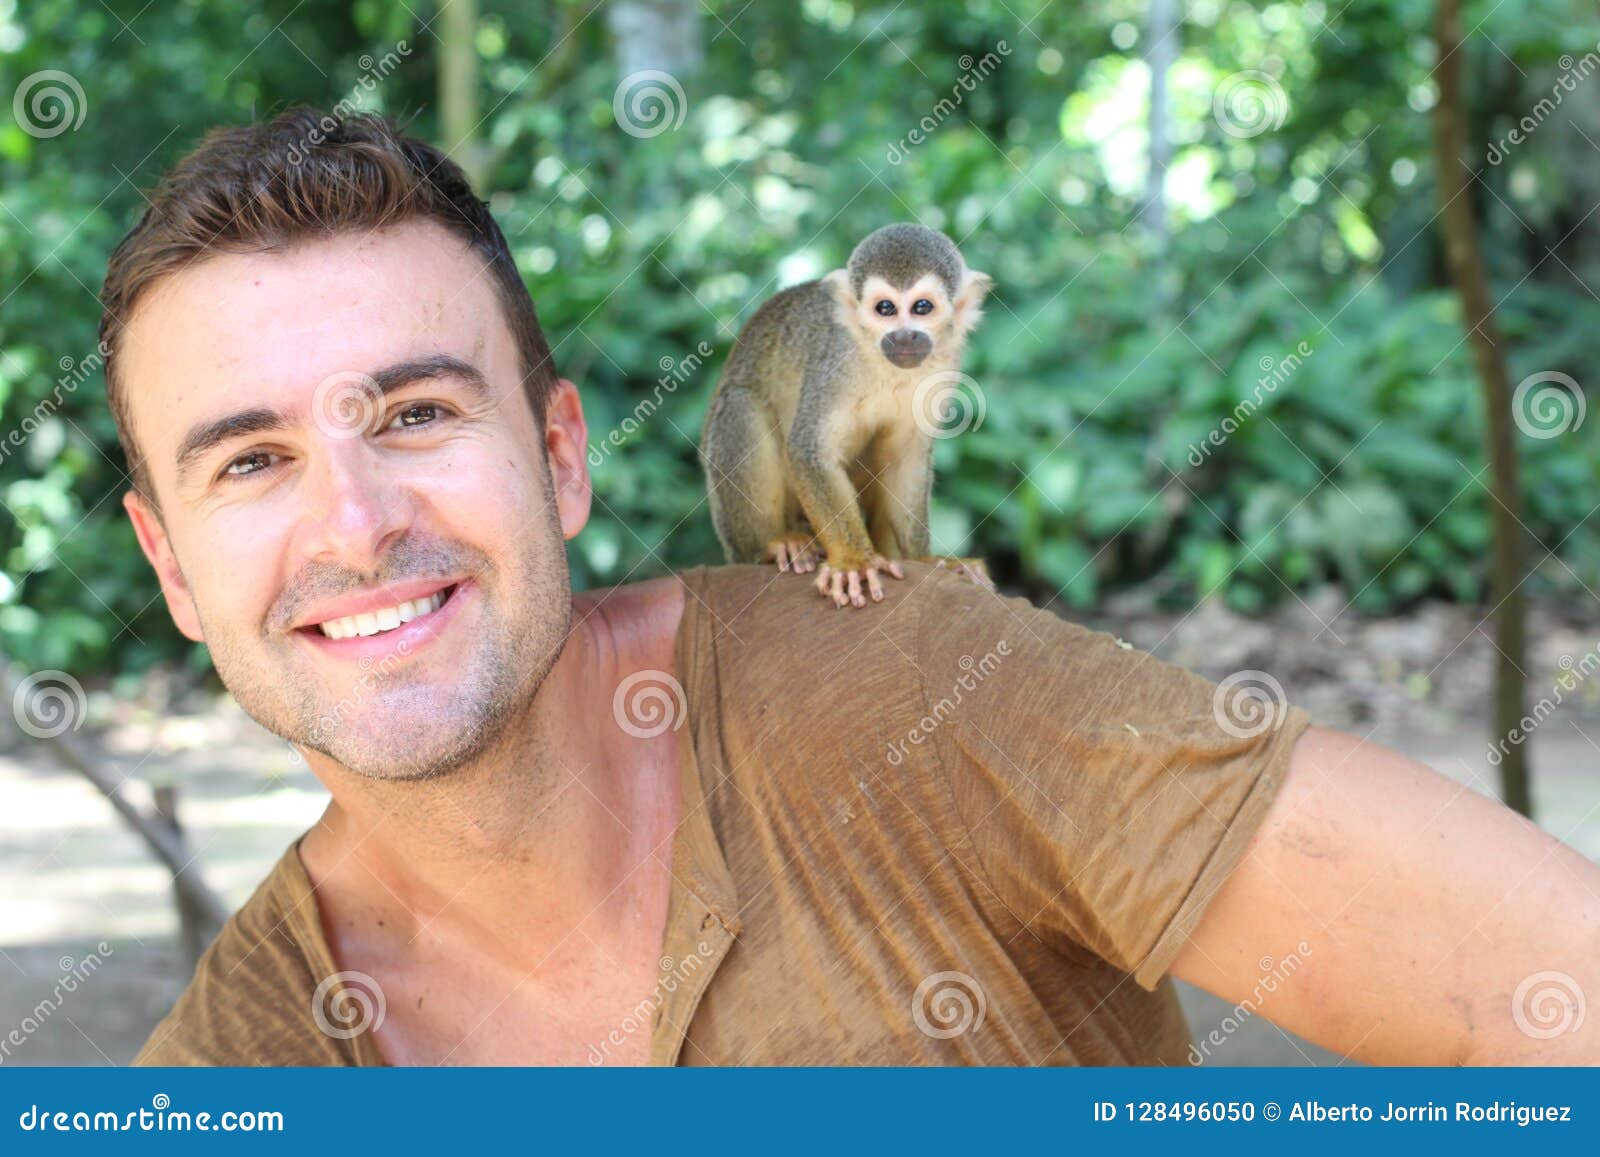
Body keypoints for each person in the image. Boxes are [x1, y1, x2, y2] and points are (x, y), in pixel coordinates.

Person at [110, 108, 1595, 1066]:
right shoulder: (241, 1065)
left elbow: (1556, 992)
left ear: (562, 458)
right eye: (250, 460)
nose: (358, 522)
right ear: (170, 566)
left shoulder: (910, 689)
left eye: (420, 414)